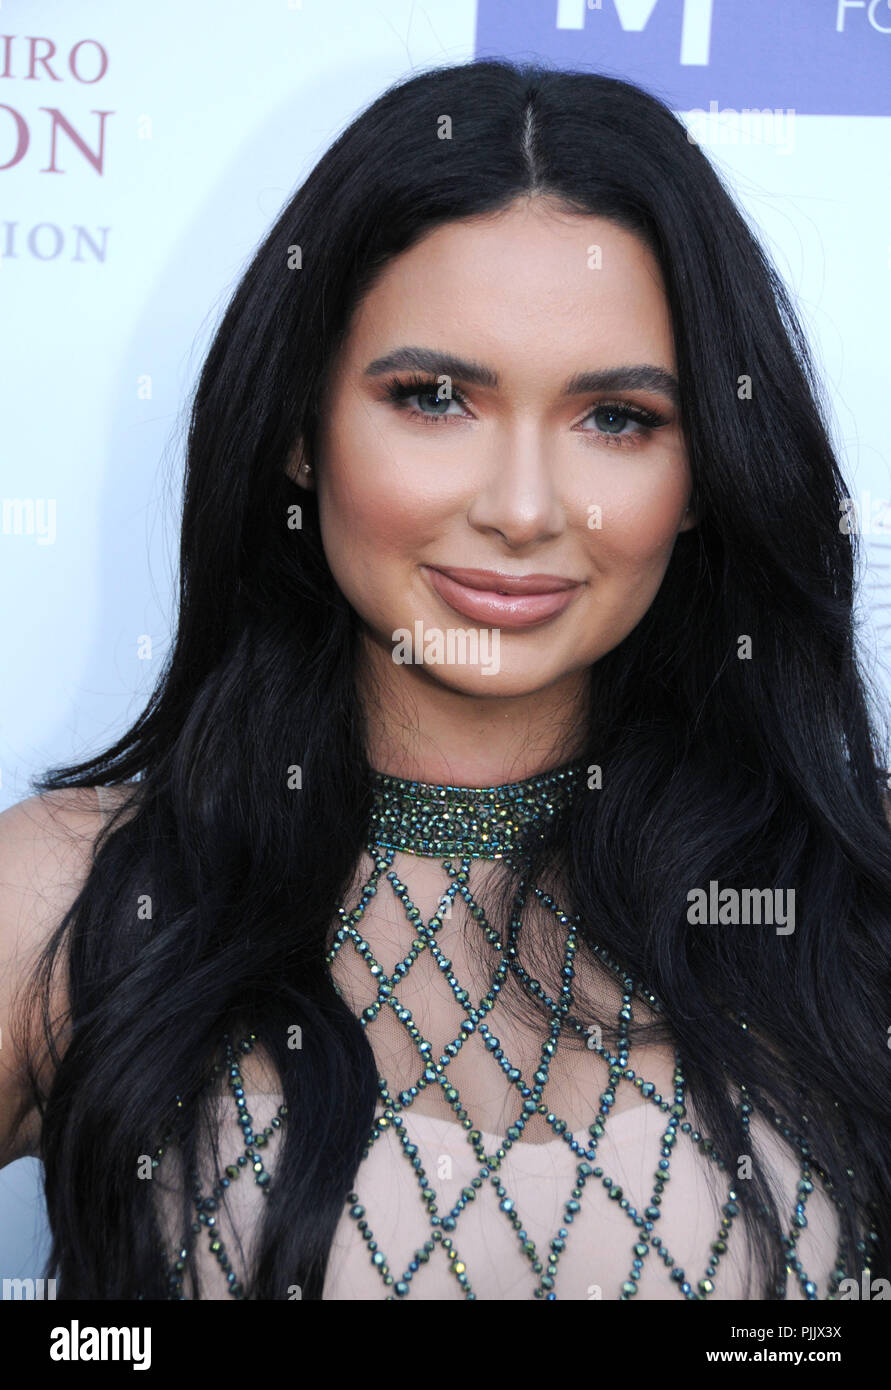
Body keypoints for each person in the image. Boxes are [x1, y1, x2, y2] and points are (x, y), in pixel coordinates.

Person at [1, 57, 888, 1302]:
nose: (523, 510)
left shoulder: (853, 893)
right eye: (433, 398)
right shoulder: (68, 900)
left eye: (617, 418)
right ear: (301, 432)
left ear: (707, 474)